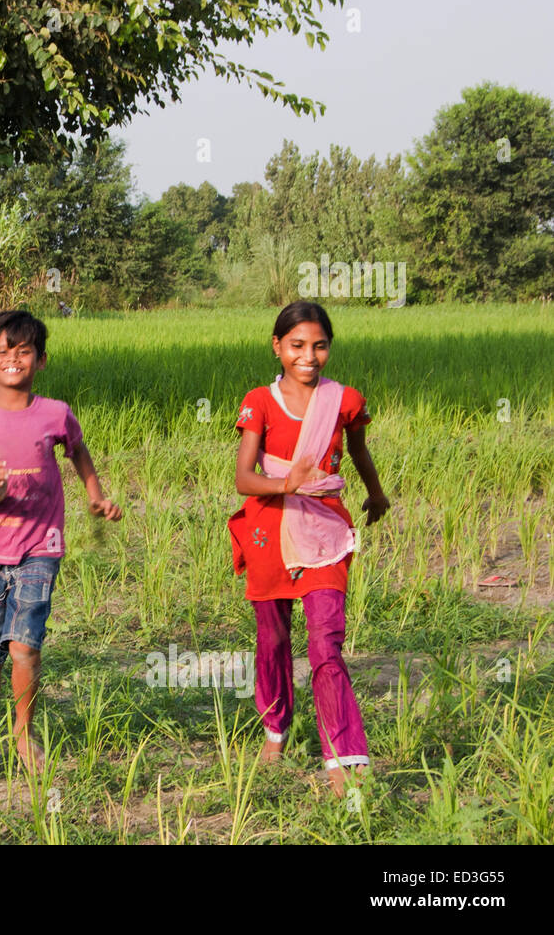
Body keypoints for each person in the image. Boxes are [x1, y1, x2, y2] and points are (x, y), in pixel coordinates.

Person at [228, 300, 390, 798]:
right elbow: (243, 478)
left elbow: (358, 450)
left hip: (324, 531)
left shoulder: (344, 400)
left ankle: (343, 757)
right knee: (272, 639)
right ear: (277, 347)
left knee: (326, 646)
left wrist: (375, 492)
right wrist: (289, 484)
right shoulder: (260, 400)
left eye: (319, 345)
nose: (309, 355)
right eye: (297, 345)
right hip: (269, 530)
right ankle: (275, 728)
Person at [0, 310, 121, 769]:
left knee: (25, 643)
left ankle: (22, 734)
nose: (13, 360)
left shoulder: (56, 413)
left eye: (23, 351)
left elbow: (79, 453)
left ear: (40, 360)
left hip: (40, 546)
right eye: (3, 352)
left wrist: (96, 496)